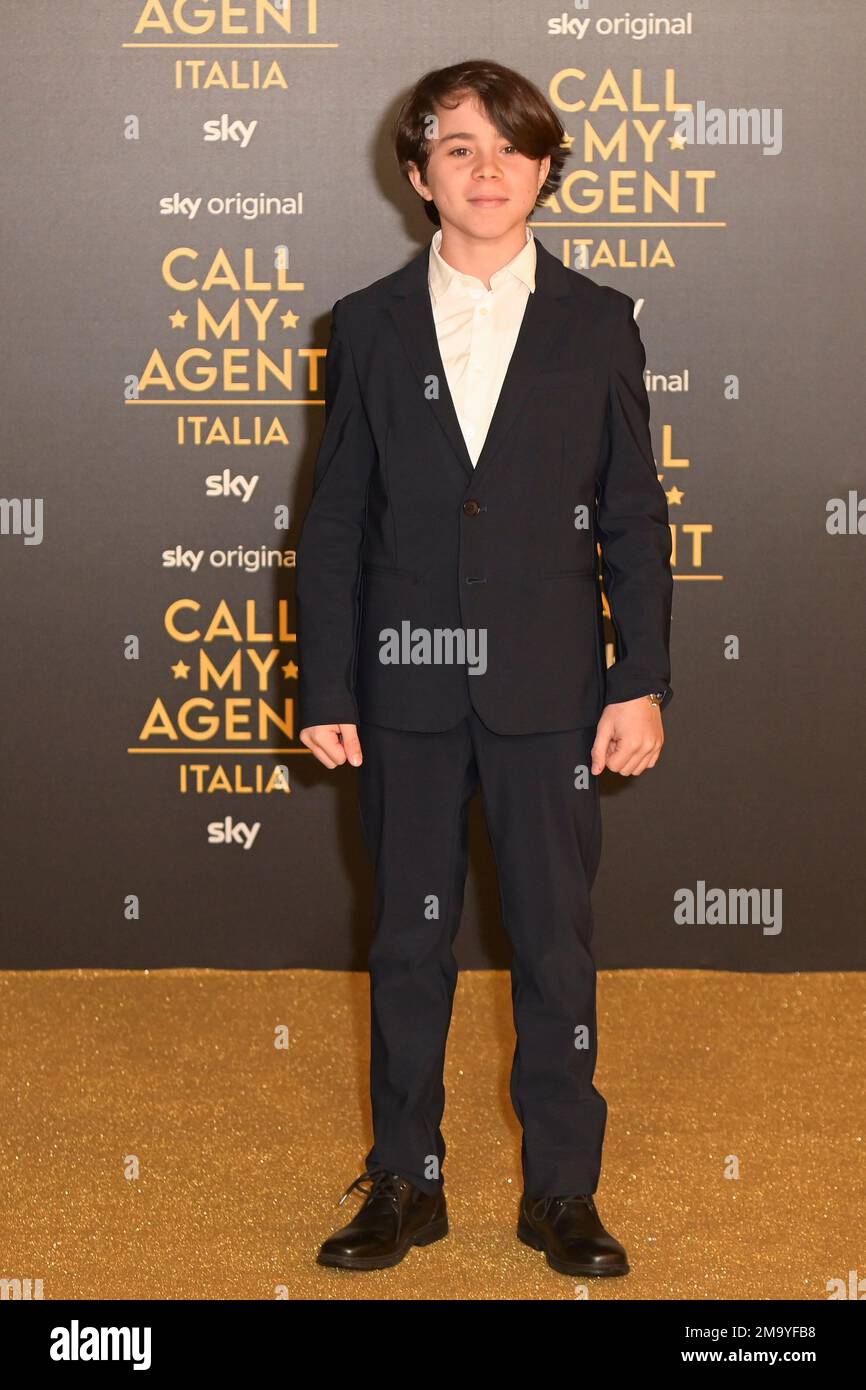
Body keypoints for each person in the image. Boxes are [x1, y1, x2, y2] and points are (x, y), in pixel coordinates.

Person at [295, 59, 673, 1278]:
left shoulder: (598, 319)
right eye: (458, 148)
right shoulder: (365, 322)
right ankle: (406, 1182)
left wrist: (640, 678)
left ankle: (562, 1190)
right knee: (408, 943)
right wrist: (328, 686)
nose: (487, 168)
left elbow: (631, 516)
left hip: (551, 694)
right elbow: (337, 517)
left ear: (546, 169)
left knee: (554, 947)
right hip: (403, 690)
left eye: (511, 146)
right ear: (417, 176)